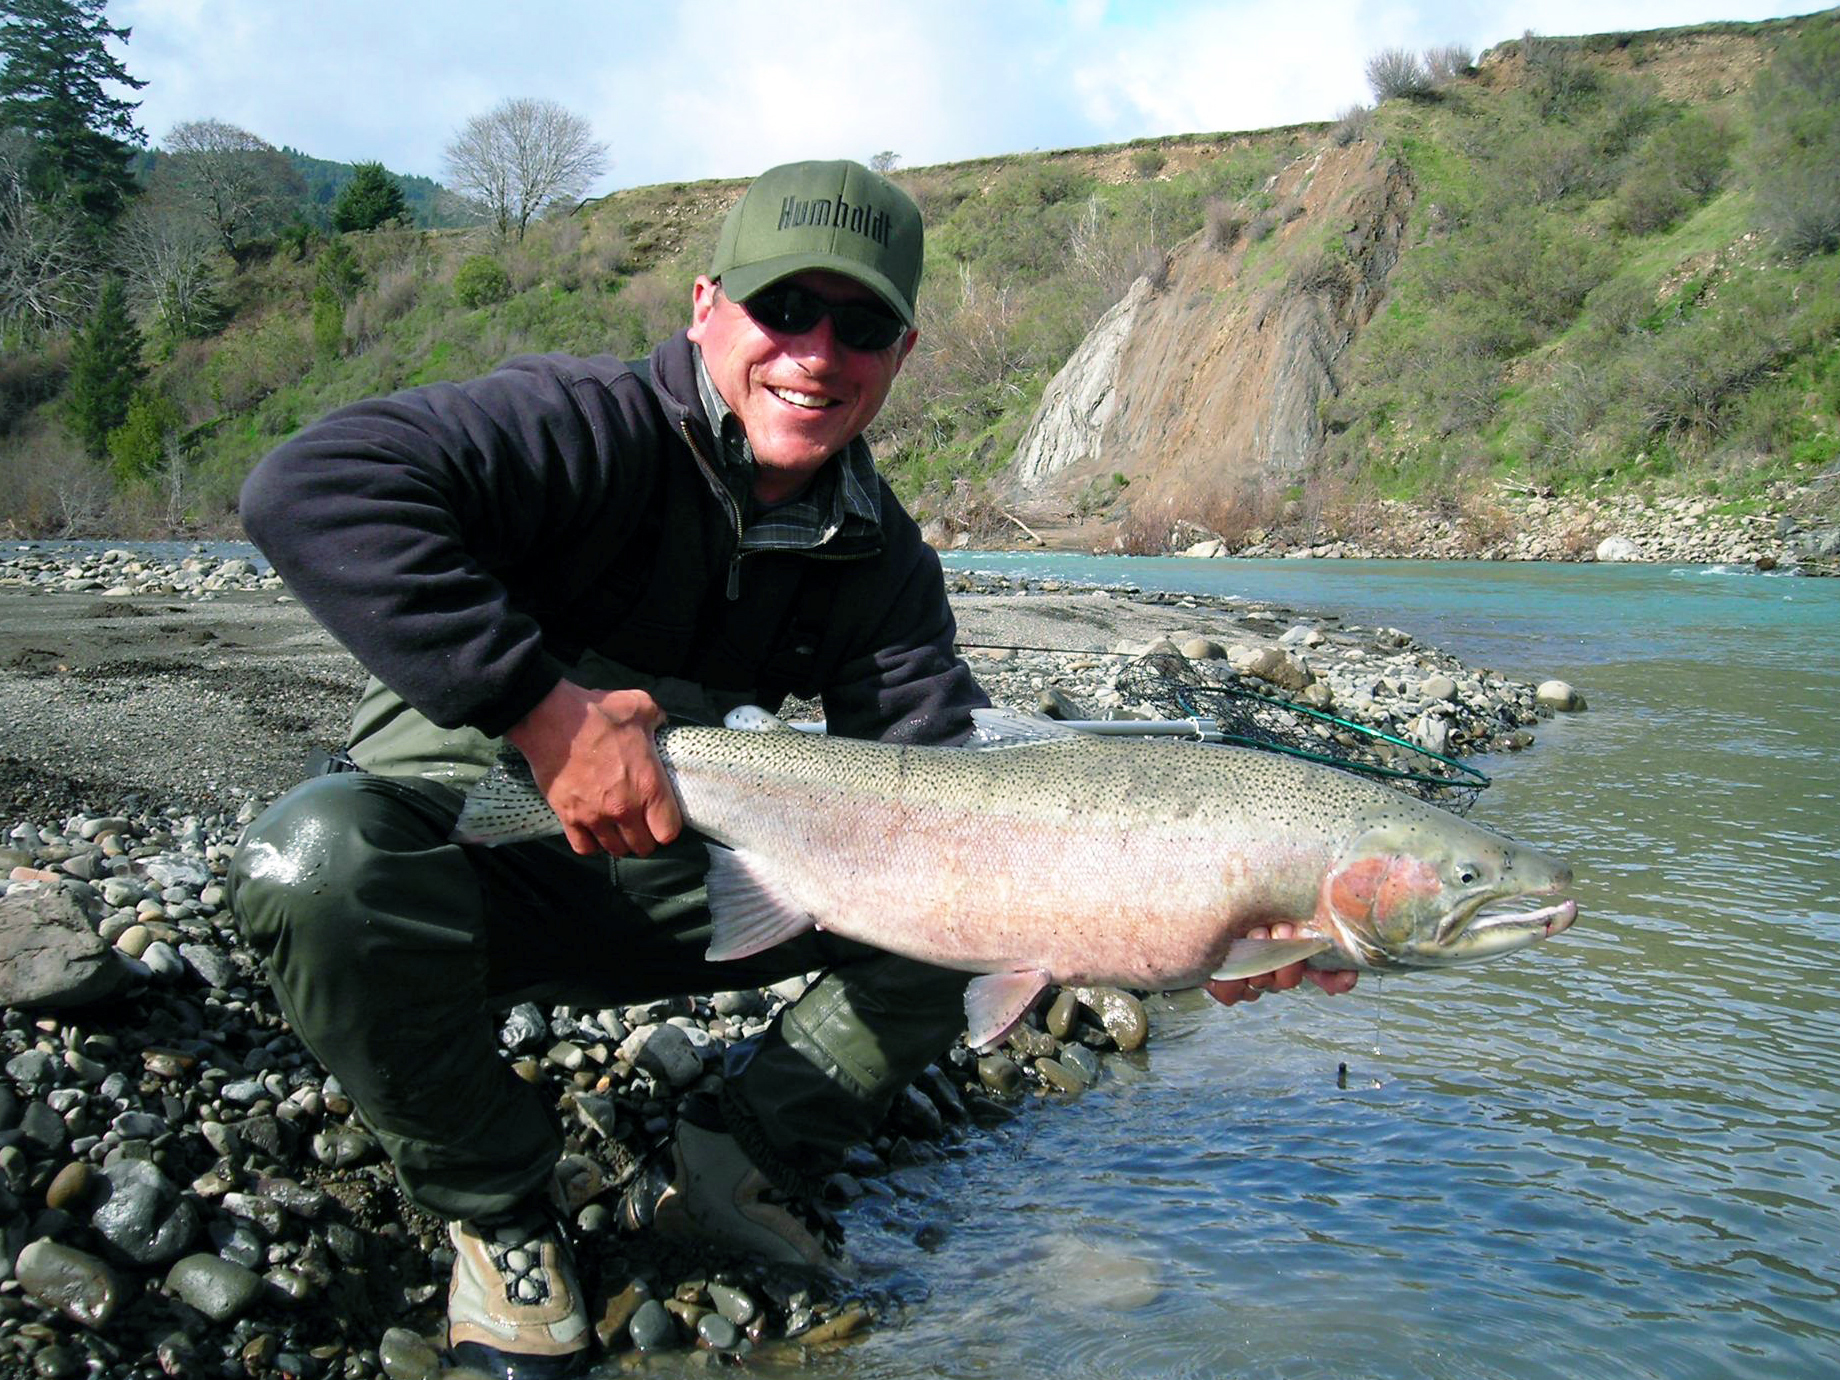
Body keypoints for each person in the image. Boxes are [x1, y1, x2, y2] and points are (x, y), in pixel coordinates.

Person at [228, 158, 1353, 1379]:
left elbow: (951, 783)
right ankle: (499, 1208)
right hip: (461, 870)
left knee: (977, 899)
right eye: (783, 310)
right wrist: (545, 715)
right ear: (706, 304)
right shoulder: (575, 426)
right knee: (314, 861)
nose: (817, 352)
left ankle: (738, 1153)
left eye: (859, 324)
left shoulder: (880, 556)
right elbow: (310, 486)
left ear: (902, 350)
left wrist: (1204, 935)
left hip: (678, 879)